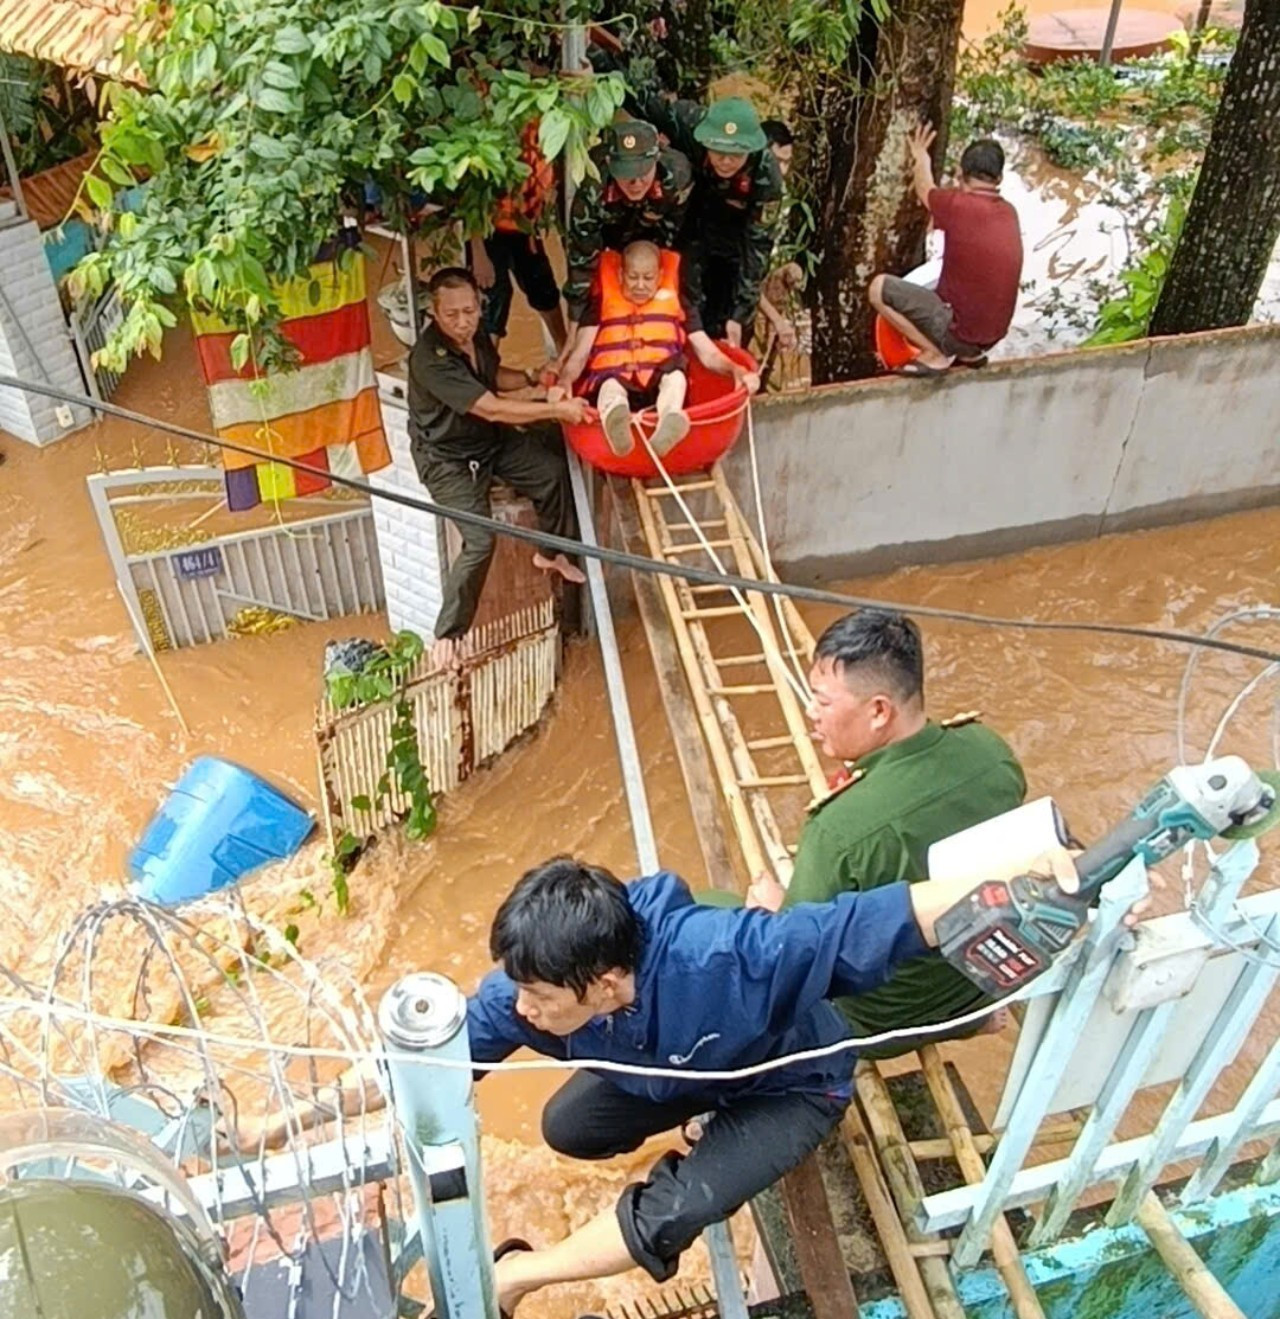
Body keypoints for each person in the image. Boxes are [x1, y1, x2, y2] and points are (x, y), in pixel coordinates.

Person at [471, 848, 1093, 1312]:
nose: (524, 1009)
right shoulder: (532, 988)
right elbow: (442, 1058)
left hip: (787, 1085)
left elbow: (873, 920)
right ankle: (692, 1130)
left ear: (604, 983)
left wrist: (1019, 882)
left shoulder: (727, 958)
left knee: (682, 1208)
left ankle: (519, 1274)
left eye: (537, 996)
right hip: (685, 1074)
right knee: (567, 1126)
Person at [747, 608, 1027, 1059]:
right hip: (981, 984)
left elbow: (793, 952)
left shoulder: (838, 827)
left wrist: (774, 911)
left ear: (879, 712)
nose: (809, 712)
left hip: (878, 1023)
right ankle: (973, 1021)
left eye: (821, 701)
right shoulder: (991, 753)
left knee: (724, 916)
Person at [407, 267, 588, 668]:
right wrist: (555, 406)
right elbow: (489, 406)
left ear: (478, 306)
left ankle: (550, 553)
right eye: (452, 314)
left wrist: (530, 376)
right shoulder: (430, 359)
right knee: (480, 539)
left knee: (551, 472)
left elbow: (493, 376)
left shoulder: (477, 338)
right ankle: (449, 632)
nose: (462, 321)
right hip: (448, 459)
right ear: (434, 313)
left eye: (469, 311)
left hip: (486, 441)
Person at [550, 241, 759, 458]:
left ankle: (669, 420)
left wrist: (737, 371)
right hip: (616, 382)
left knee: (676, 375)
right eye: (633, 277)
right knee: (610, 385)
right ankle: (615, 421)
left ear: (659, 277)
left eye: (648, 278)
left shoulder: (679, 303)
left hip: (657, 389)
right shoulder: (600, 304)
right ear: (621, 275)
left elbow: (709, 353)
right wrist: (564, 381)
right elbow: (579, 355)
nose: (640, 285)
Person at [628, 93, 784, 348]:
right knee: (679, 307)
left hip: (732, 238)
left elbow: (758, 246)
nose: (725, 161)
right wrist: (597, 68)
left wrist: (740, 313)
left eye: (735, 154)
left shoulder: (766, 173)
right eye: (719, 151)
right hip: (687, 222)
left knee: (727, 324)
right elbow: (643, 99)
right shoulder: (691, 123)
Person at [869, 124, 1023, 377]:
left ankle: (936, 354)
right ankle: (968, 353)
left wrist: (920, 155)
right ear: (999, 179)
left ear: (960, 173)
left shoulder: (957, 205)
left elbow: (924, 187)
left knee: (878, 288)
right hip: (993, 337)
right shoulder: (1009, 212)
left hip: (960, 333)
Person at [561, 120, 694, 350]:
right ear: (611, 164)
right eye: (627, 174)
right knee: (597, 295)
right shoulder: (592, 185)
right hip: (605, 229)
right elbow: (581, 260)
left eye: (643, 172)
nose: (635, 182)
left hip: (652, 229)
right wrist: (574, 330)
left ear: (656, 160)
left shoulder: (677, 175)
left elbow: (671, 238)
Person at [468, 119, 568, 353]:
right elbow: (470, 195)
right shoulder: (490, 116)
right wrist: (478, 251)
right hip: (489, 229)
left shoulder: (548, 115)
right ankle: (487, 368)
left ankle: (564, 350)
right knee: (493, 299)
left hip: (525, 226)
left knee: (543, 289)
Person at [758, 118, 800, 355]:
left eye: (787, 163)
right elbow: (743, 277)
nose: (782, 172)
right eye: (777, 162)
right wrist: (776, 319)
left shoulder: (779, 197)